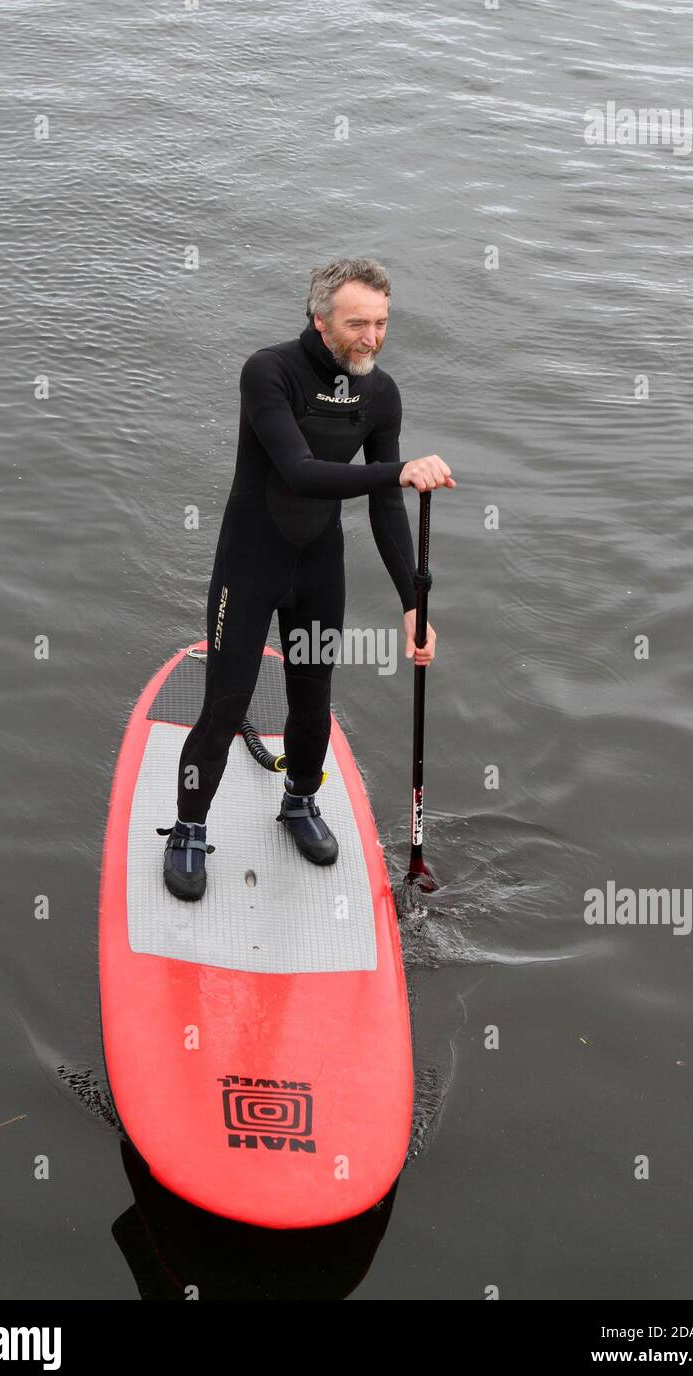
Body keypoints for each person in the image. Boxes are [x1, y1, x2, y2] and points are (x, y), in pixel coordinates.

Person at [157, 256, 455, 900]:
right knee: (225, 704)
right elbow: (299, 471)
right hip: (251, 564)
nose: (370, 338)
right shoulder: (270, 372)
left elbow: (383, 506)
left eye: (380, 324)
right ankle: (187, 827)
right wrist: (398, 469)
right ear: (319, 320)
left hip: (318, 567)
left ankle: (298, 800)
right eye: (357, 324)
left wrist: (413, 604)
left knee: (313, 697)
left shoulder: (380, 394)